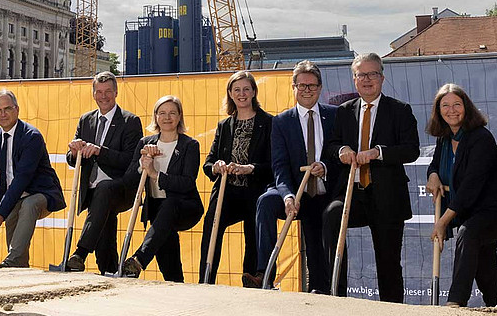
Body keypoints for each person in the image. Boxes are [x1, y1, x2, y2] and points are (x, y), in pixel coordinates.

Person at [322, 53, 420, 303]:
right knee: (332, 215)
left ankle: (393, 311)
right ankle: (336, 295)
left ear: (382, 78)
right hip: (352, 194)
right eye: (361, 75)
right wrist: (341, 151)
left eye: (372, 74)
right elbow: (331, 146)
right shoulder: (344, 112)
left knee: (388, 260)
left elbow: (411, 150)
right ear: (354, 80)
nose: (367, 80)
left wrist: (378, 153)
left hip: (387, 195)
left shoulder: (400, 110)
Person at [250, 60, 336, 290]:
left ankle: (320, 287)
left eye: (312, 85)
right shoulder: (280, 122)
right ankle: (265, 274)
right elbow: (279, 165)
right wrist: (287, 196)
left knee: (318, 226)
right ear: (294, 87)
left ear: (320, 88)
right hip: (291, 189)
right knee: (266, 202)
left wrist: (325, 167)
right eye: (302, 85)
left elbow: (338, 155)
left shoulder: (335, 116)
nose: (307, 90)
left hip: (321, 191)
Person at [425, 83, 497, 307]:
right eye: (445, 105)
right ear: (438, 110)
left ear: (466, 107)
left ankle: (455, 302)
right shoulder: (444, 138)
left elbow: (470, 188)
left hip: (493, 211)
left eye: (457, 104)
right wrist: (433, 174)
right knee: (484, 268)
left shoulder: (480, 138)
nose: (451, 110)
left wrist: (442, 222)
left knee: (468, 234)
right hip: (468, 212)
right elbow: (435, 165)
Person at [64, 72, 143, 273]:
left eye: (108, 91)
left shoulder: (130, 121)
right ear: (93, 94)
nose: (103, 96)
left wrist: (100, 151)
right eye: (99, 92)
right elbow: (72, 159)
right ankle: (109, 273)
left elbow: (129, 161)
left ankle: (80, 253)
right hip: (92, 191)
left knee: (104, 188)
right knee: (105, 237)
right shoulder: (85, 120)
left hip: (121, 188)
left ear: (116, 92)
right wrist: (74, 151)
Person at [200, 70, 273, 285]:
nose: (241, 94)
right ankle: (206, 278)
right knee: (212, 224)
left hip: (254, 190)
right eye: (236, 90)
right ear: (230, 94)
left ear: (253, 92)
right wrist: (217, 166)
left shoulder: (268, 122)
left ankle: (251, 280)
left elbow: (273, 165)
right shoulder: (224, 126)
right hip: (227, 190)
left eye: (246, 89)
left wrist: (251, 168)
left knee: (253, 231)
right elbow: (208, 163)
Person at [119, 95, 204, 280]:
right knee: (167, 251)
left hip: (185, 206)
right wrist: (142, 165)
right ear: (155, 116)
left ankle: (139, 259)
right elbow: (129, 180)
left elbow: (187, 182)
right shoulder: (145, 143)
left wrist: (155, 175)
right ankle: (176, 285)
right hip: (157, 208)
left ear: (180, 116)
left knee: (170, 205)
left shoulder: (190, 145)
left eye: (172, 113)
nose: (167, 117)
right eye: (162, 113)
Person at [0, 89, 66, 267]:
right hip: (14, 195)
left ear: (17, 109)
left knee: (28, 205)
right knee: (12, 215)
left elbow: (22, 178)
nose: (3, 114)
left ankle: (11, 262)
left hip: (40, 192)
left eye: (7, 109)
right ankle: (18, 266)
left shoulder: (31, 137)